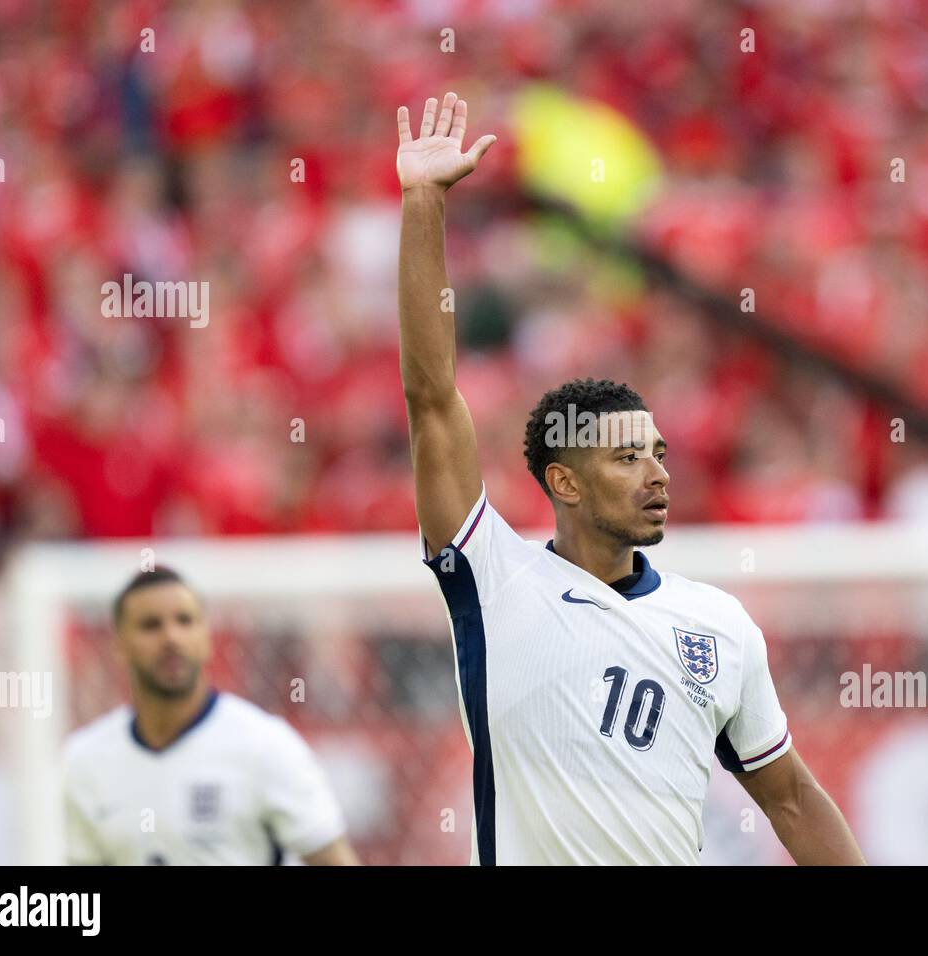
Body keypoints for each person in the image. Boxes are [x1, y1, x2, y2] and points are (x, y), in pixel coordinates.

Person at [396, 91, 865, 865]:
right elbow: (432, 400)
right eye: (626, 457)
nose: (656, 474)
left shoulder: (718, 626)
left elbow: (790, 798)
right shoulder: (496, 582)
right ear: (565, 483)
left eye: (658, 454)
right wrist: (423, 206)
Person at [62, 567, 358, 865]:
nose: (172, 637)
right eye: (151, 625)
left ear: (206, 636)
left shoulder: (264, 745)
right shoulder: (85, 760)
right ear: (119, 644)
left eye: (185, 621)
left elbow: (334, 859)